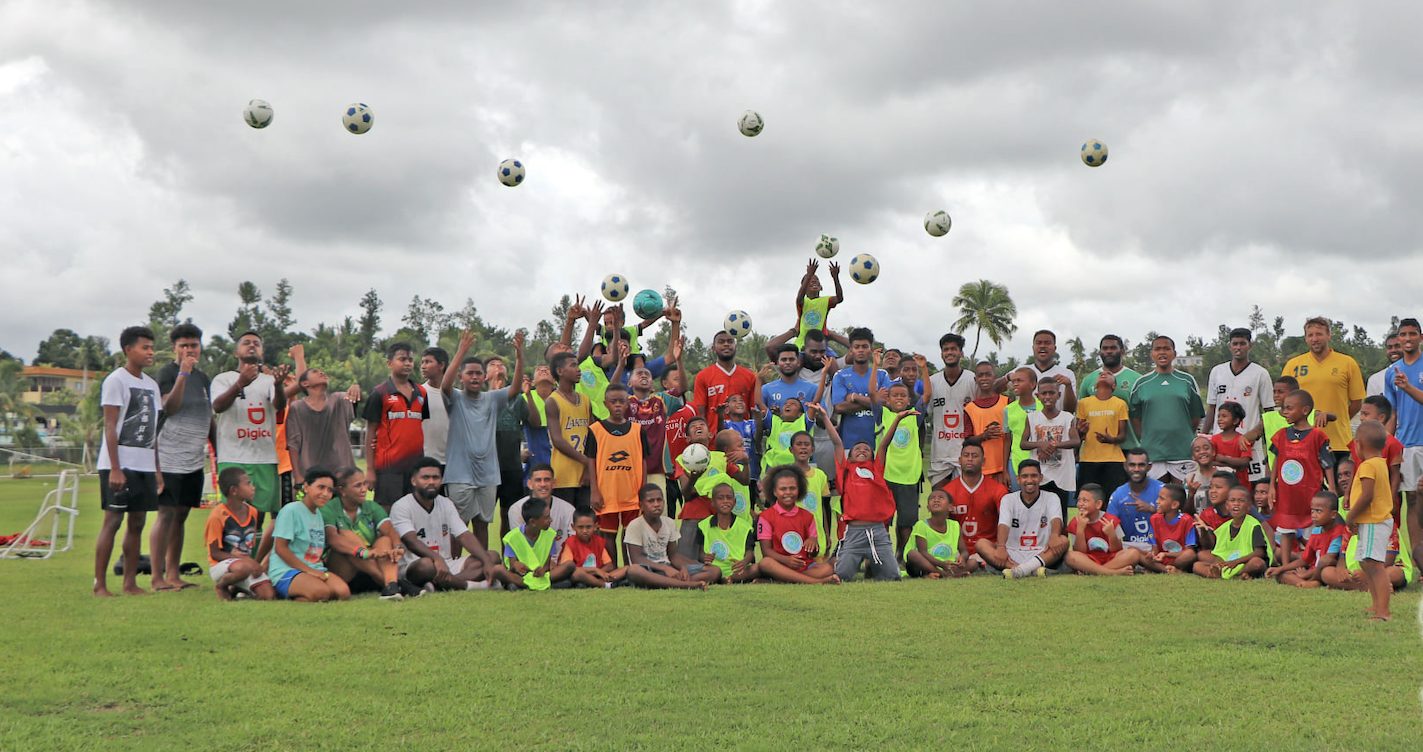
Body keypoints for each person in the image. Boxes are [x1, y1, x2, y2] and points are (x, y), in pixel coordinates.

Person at [93, 326, 164, 597]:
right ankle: (99, 584)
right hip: (120, 465)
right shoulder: (116, 381)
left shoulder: (151, 385)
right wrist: (115, 467)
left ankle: (130, 583)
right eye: (144, 347)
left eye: (151, 347)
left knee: (137, 523)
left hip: (144, 464)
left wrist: (157, 470)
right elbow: (110, 426)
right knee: (112, 521)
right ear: (128, 350)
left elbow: (152, 431)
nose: (150, 352)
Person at [441, 329, 526, 549]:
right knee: (459, 526)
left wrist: (519, 357)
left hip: (488, 474)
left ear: (484, 377)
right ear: (462, 377)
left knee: (482, 524)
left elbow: (516, 388)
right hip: (460, 475)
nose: (475, 377)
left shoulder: (492, 399)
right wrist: (462, 351)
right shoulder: (456, 398)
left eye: (478, 373)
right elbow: (445, 385)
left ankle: (482, 570)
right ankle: (455, 568)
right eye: (470, 373)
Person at [150, 323, 210, 591]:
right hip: (168, 455)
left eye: (193, 345)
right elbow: (169, 407)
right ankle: (157, 576)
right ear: (174, 347)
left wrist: (217, 449)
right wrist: (183, 374)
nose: (189, 350)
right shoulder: (167, 373)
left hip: (194, 458)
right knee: (165, 514)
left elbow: (210, 417)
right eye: (183, 345)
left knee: (182, 515)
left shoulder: (204, 378)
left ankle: (174, 573)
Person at [824, 399, 909, 582]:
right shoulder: (845, 470)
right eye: (857, 449)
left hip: (878, 531)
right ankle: (857, 560)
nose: (862, 450)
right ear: (850, 455)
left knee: (893, 576)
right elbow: (838, 443)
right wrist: (824, 416)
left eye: (866, 449)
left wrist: (897, 420)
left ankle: (873, 563)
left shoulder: (876, 468)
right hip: (854, 530)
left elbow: (884, 444)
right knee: (842, 575)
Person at [391, 458, 504, 590]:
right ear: (414, 481)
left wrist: (486, 561)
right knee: (426, 565)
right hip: (415, 565)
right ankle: (469, 585)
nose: (431, 482)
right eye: (425, 478)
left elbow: (464, 535)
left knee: (492, 556)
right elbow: (411, 541)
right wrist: (437, 559)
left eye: (436, 477)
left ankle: (442, 584)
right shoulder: (402, 506)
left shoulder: (446, 503)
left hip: (447, 564)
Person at [211, 330, 286, 521]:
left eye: (257, 343)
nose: (252, 345)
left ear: (261, 352)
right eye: (246, 342)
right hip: (233, 457)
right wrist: (239, 384)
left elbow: (279, 406)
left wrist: (279, 386)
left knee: (259, 516)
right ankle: (232, 551)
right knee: (234, 516)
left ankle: (255, 552)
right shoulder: (223, 378)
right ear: (236, 352)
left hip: (264, 458)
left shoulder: (269, 380)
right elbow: (218, 406)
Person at [1282, 316, 1364, 463]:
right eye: (1310, 335)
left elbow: (1357, 402)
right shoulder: (1293, 365)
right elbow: (1284, 402)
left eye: (1319, 334)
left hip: (1338, 441)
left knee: (1337, 485)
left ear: (1328, 335)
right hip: (1301, 440)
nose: (1315, 339)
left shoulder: (1347, 363)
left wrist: (1338, 419)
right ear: (1306, 338)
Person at [1268, 389, 1336, 561]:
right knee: (1285, 529)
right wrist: (1271, 486)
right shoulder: (1281, 435)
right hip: (1287, 494)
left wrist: (1332, 489)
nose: (1285, 412)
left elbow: (1327, 464)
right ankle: (1284, 565)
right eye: (1283, 408)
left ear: (1305, 410)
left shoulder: (1317, 436)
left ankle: (1313, 563)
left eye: (1289, 408)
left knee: (1311, 530)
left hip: (1309, 493)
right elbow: (1277, 461)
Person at [320, 467, 405, 600]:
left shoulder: (371, 506)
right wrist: (364, 553)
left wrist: (398, 548)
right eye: (358, 485)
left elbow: (389, 530)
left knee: (385, 541)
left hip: (368, 566)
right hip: (343, 571)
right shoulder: (329, 509)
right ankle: (397, 585)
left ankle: (391, 586)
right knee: (347, 538)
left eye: (365, 483)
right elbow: (333, 539)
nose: (364, 489)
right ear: (342, 490)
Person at [1128, 335, 1204, 482]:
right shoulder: (1141, 383)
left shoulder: (1187, 380)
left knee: (1182, 499)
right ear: (1152, 354)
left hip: (1182, 452)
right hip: (1153, 453)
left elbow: (1195, 416)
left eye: (1166, 349)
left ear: (1174, 354)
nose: (1162, 352)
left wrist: (1181, 433)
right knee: (1157, 501)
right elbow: (1135, 418)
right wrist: (1146, 438)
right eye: (1158, 349)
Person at [1204, 328, 1276, 482]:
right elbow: (1211, 407)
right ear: (1229, 346)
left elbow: (1269, 412)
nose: (1238, 347)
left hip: (1247, 443)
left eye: (1242, 343)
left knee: (1251, 489)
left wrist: (1255, 434)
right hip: (1220, 443)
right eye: (1235, 344)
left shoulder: (1260, 374)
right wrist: (1204, 437)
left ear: (1250, 345)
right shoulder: (1217, 372)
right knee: (1220, 487)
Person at [584, 382, 650, 550]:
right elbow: (591, 460)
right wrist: (594, 490)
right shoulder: (595, 430)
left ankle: (630, 573)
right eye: (613, 401)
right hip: (607, 493)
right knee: (607, 536)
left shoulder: (638, 430)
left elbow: (643, 461)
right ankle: (612, 574)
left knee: (631, 536)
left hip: (632, 494)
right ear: (606, 404)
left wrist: (643, 491)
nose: (618, 405)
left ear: (628, 403)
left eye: (621, 401)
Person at [362, 341, 428, 509]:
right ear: (389, 363)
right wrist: (370, 470)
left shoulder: (421, 392)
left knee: (414, 514)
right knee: (387, 515)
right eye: (402, 359)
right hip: (388, 469)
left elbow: (418, 429)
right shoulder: (380, 393)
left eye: (410, 360)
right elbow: (370, 434)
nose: (407, 363)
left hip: (415, 467)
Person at [267, 467, 349, 602]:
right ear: (306, 487)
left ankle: (303, 593)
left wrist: (315, 571)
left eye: (329, 490)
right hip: (287, 570)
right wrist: (309, 571)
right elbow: (280, 548)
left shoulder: (318, 514)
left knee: (343, 592)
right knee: (322, 593)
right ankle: (289, 592)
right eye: (320, 487)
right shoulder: (291, 510)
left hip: (314, 568)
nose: (325, 494)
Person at [975, 460, 1067, 578]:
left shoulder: (1051, 497)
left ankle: (1020, 570)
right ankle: (1029, 570)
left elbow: (1056, 519)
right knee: (981, 544)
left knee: (1063, 540)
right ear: (1018, 479)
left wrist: (1054, 536)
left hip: (1042, 552)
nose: (1029, 480)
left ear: (1041, 478)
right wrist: (1001, 547)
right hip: (1012, 553)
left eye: (1034, 476)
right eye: (1024, 476)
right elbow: (1004, 524)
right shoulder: (1008, 499)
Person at [1343, 420, 1396, 620]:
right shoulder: (1379, 463)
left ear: (1359, 444)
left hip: (1374, 520)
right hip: (1371, 521)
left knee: (1374, 565)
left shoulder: (1367, 466)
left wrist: (1351, 516)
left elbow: (1367, 496)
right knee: (1366, 563)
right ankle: (1376, 605)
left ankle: (1383, 611)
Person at [1383, 317, 1423, 570]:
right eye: (1403, 334)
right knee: (1412, 501)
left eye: (1412, 334)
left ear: (1420, 337)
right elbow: (1392, 413)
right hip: (1406, 445)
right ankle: (1419, 562)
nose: (1407, 339)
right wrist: (1386, 445)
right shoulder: (1391, 372)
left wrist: (1408, 387)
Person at [285, 352, 360, 486]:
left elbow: (353, 401)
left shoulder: (338, 400)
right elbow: (293, 444)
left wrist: (355, 388)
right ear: (304, 383)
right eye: (315, 371)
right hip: (312, 474)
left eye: (322, 371)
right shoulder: (297, 408)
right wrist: (297, 476)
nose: (321, 373)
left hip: (342, 473)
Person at [755, 465, 839, 584]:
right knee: (765, 563)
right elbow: (766, 551)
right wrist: (786, 560)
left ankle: (781, 580)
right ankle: (816, 582)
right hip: (779, 564)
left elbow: (812, 553)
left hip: (804, 566)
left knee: (830, 567)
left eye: (792, 488)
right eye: (783, 489)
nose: (788, 492)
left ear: (799, 490)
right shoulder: (766, 517)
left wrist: (813, 543)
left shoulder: (808, 516)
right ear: (774, 491)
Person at [624, 484, 717, 589]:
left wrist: (683, 568)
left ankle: (669, 583)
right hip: (648, 569)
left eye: (659, 500)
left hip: (668, 568)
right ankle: (687, 584)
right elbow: (637, 559)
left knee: (714, 571)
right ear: (641, 505)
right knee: (634, 571)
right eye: (651, 501)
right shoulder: (635, 525)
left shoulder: (669, 523)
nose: (656, 504)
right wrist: (664, 568)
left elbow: (673, 555)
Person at [205, 466, 275, 600]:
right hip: (222, 565)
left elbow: (249, 546)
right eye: (248, 483)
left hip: (245, 565)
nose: (252, 487)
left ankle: (236, 587)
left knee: (268, 595)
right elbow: (214, 553)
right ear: (234, 490)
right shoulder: (218, 515)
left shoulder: (252, 512)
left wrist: (254, 564)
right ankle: (222, 586)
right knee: (243, 568)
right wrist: (246, 561)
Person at [880, 366, 926, 557]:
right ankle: (884, 556)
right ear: (888, 399)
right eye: (895, 395)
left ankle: (902, 554)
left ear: (908, 400)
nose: (899, 398)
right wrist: (876, 365)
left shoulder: (915, 416)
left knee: (906, 521)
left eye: (903, 396)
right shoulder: (883, 414)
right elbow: (875, 398)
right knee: (884, 519)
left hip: (910, 476)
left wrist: (923, 369)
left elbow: (927, 396)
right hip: (887, 475)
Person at [484, 352, 532, 535]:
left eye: (501, 364)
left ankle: (508, 559)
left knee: (509, 514)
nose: (499, 366)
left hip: (511, 466)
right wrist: (495, 392)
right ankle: (484, 561)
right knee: (483, 518)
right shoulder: (480, 399)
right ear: (485, 375)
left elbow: (531, 422)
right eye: (494, 364)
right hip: (487, 468)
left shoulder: (517, 399)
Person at [1021, 376, 1080, 520]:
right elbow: (1023, 444)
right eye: (1044, 393)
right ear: (1038, 395)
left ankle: (1060, 541)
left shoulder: (1067, 418)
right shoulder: (1032, 418)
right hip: (1040, 476)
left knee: (1059, 517)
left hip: (1061, 477)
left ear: (1059, 395)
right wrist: (1040, 444)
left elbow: (1076, 441)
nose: (1047, 396)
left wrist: (1054, 444)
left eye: (1051, 393)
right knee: (1038, 517)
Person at [941, 443, 1007, 566]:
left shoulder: (998, 489)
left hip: (987, 548)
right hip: (958, 550)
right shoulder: (947, 491)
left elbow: (1006, 522)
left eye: (975, 455)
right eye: (966, 455)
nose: (970, 458)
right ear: (960, 460)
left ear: (983, 461)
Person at [544, 350, 593, 509]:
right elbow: (557, 440)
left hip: (586, 472)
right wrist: (586, 461)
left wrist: (588, 466)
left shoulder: (585, 400)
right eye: (573, 365)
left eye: (578, 365)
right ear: (560, 371)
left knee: (586, 522)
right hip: (563, 474)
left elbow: (593, 435)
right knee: (565, 525)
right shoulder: (553, 401)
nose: (578, 369)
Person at [830, 327, 890, 456]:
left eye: (865, 346)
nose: (861, 350)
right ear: (851, 349)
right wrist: (874, 399)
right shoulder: (841, 375)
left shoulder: (882, 375)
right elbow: (839, 407)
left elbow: (885, 404)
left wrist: (854, 396)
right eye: (857, 347)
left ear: (871, 349)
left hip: (878, 443)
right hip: (848, 444)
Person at [926, 333, 975, 486]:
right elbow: (922, 415)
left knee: (966, 508)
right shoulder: (933, 381)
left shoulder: (972, 380)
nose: (949, 352)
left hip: (966, 455)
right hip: (939, 456)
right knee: (940, 504)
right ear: (941, 354)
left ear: (961, 353)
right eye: (946, 349)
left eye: (953, 349)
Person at [1267, 491, 1344, 588]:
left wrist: (1307, 574)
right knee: (1281, 575)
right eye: (1312, 511)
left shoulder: (1339, 532)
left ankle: (1312, 582)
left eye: (1319, 511)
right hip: (1313, 570)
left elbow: (1327, 560)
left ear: (1333, 514)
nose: (1314, 515)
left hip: (1326, 571)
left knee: (1325, 563)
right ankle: (1307, 583)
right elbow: (1304, 560)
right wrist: (1281, 568)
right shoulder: (1316, 531)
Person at [1192, 485, 1269, 580]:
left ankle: (1236, 575)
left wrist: (1236, 562)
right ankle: (1230, 574)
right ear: (1227, 506)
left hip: (1245, 561)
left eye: (1241, 501)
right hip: (1228, 561)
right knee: (1197, 565)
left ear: (1249, 506)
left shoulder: (1253, 525)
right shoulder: (1224, 527)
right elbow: (1219, 551)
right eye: (1232, 501)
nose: (1236, 504)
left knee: (1257, 563)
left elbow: (1259, 552)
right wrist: (1218, 563)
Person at [691, 330, 760, 435]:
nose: (726, 344)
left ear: (735, 346)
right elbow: (700, 413)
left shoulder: (749, 376)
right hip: (714, 441)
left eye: (730, 341)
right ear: (713, 348)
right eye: (721, 342)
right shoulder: (703, 376)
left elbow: (753, 412)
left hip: (743, 442)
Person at [1065, 484, 1141, 575]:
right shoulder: (1075, 522)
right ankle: (1113, 572)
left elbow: (1118, 549)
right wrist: (1080, 530)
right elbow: (1080, 552)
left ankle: (1094, 572)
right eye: (1079, 500)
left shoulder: (1111, 520)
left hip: (1111, 559)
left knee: (1134, 553)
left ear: (1098, 504)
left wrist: (1111, 534)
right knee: (1070, 556)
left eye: (1085, 500)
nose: (1080, 504)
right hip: (1089, 559)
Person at [507, 464, 576, 562]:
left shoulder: (568, 509)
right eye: (538, 480)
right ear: (530, 484)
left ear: (554, 483)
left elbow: (575, 541)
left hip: (561, 564)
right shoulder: (516, 509)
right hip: (528, 563)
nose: (543, 484)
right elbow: (519, 544)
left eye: (547, 480)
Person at [1075, 370, 1128, 493]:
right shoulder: (1084, 403)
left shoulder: (1120, 404)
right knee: (1088, 499)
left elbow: (1123, 435)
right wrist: (1080, 432)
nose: (1104, 373)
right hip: (1088, 459)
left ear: (1114, 386)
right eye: (1100, 374)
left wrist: (1111, 440)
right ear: (1095, 384)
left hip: (1114, 460)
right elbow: (1078, 434)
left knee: (1112, 501)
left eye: (1109, 374)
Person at [492, 497, 558, 591]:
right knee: (498, 570)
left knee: (569, 566)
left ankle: (522, 585)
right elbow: (512, 566)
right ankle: (527, 584)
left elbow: (547, 565)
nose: (550, 520)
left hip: (542, 576)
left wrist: (542, 570)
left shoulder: (551, 535)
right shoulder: (512, 537)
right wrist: (517, 565)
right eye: (547, 517)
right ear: (533, 522)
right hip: (521, 576)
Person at [699, 483, 760, 584]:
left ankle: (730, 579)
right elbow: (700, 551)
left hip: (737, 569)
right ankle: (724, 579)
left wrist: (744, 562)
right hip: (713, 568)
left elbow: (750, 551)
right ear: (713, 502)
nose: (725, 501)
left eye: (729, 498)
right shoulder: (703, 525)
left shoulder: (744, 526)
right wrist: (704, 557)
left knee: (758, 568)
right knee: (710, 571)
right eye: (720, 498)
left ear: (734, 502)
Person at [905, 488, 972, 578]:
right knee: (912, 554)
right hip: (925, 564)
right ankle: (944, 575)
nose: (936, 500)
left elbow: (964, 551)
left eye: (941, 497)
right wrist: (942, 565)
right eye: (932, 498)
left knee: (973, 562)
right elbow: (923, 552)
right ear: (928, 507)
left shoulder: (955, 525)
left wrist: (963, 558)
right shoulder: (921, 525)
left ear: (950, 507)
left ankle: (937, 574)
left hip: (947, 564)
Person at [964, 361, 1011, 488]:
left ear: (994, 376)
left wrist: (1006, 469)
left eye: (988, 374)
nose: (984, 378)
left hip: (1004, 468)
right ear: (976, 379)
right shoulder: (970, 408)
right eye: (980, 375)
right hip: (982, 470)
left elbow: (1012, 436)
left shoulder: (1007, 402)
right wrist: (984, 436)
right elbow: (967, 440)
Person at [1107, 448, 1161, 554]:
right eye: (1132, 465)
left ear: (1149, 467)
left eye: (1141, 465)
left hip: (1157, 546)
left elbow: (1176, 520)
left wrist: (1152, 509)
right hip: (1128, 546)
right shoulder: (1118, 494)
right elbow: (1110, 524)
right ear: (1125, 466)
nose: (1136, 469)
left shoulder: (1162, 489)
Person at [556, 509, 628, 588]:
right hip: (580, 574)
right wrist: (595, 570)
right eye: (580, 527)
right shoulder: (570, 543)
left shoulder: (599, 541)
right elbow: (567, 568)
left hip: (598, 574)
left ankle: (595, 582)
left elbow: (609, 565)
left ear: (595, 526)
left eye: (588, 527)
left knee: (626, 568)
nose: (584, 531)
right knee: (577, 574)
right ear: (573, 527)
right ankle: (605, 585)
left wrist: (600, 572)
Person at [1145, 484, 1197, 574]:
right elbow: (1155, 548)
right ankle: (1168, 570)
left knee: (1190, 555)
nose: (1157, 501)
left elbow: (1189, 550)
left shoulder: (1187, 520)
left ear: (1174, 505)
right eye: (1158, 497)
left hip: (1178, 559)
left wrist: (1166, 554)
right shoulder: (1154, 519)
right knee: (1134, 552)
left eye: (1162, 499)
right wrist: (1152, 556)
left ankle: (1171, 569)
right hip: (1161, 560)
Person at [1003, 367, 1040, 489]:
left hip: (1041, 462)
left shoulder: (1043, 407)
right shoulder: (1008, 410)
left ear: (1032, 384)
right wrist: (1005, 470)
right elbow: (1007, 439)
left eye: (1019, 380)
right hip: (1015, 462)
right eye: (1013, 381)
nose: (1015, 384)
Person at [793, 258, 844, 348]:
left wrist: (835, 277)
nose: (813, 281)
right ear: (804, 288)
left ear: (821, 287)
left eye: (816, 280)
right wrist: (809, 274)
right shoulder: (803, 301)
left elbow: (839, 298)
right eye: (809, 280)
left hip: (820, 343)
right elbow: (799, 297)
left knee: (832, 360)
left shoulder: (826, 301)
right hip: (802, 343)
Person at [1026, 330, 1077, 413]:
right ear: (1033, 347)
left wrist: (1068, 386)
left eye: (1047, 343)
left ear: (1054, 348)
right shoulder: (1021, 372)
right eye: (1039, 343)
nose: (1042, 346)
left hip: (1059, 425)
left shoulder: (1067, 374)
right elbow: (998, 388)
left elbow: (1071, 410)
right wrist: (1008, 378)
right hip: (1028, 424)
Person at [419, 346, 450, 468]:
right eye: (422, 362)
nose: (423, 366)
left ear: (441, 365)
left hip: (452, 462)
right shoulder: (418, 393)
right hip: (426, 462)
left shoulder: (455, 396)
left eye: (428, 362)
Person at [1209, 401, 1252, 487]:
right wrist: (1233, 464)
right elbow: (1211, 462)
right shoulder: (1214, 439)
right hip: (1220, 485)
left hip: (1240, 485)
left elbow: (1244, 462)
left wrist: (1224, 459)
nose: (1220, 419)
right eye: (1219, 416)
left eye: (1224, 416)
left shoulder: (1242, 440)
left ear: (1235, 420)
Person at [1367, 332, 1402, 397]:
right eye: (1389, 347)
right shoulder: (1375, 379)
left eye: (1398, 346)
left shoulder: (1419, 374)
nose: (1393, 350)